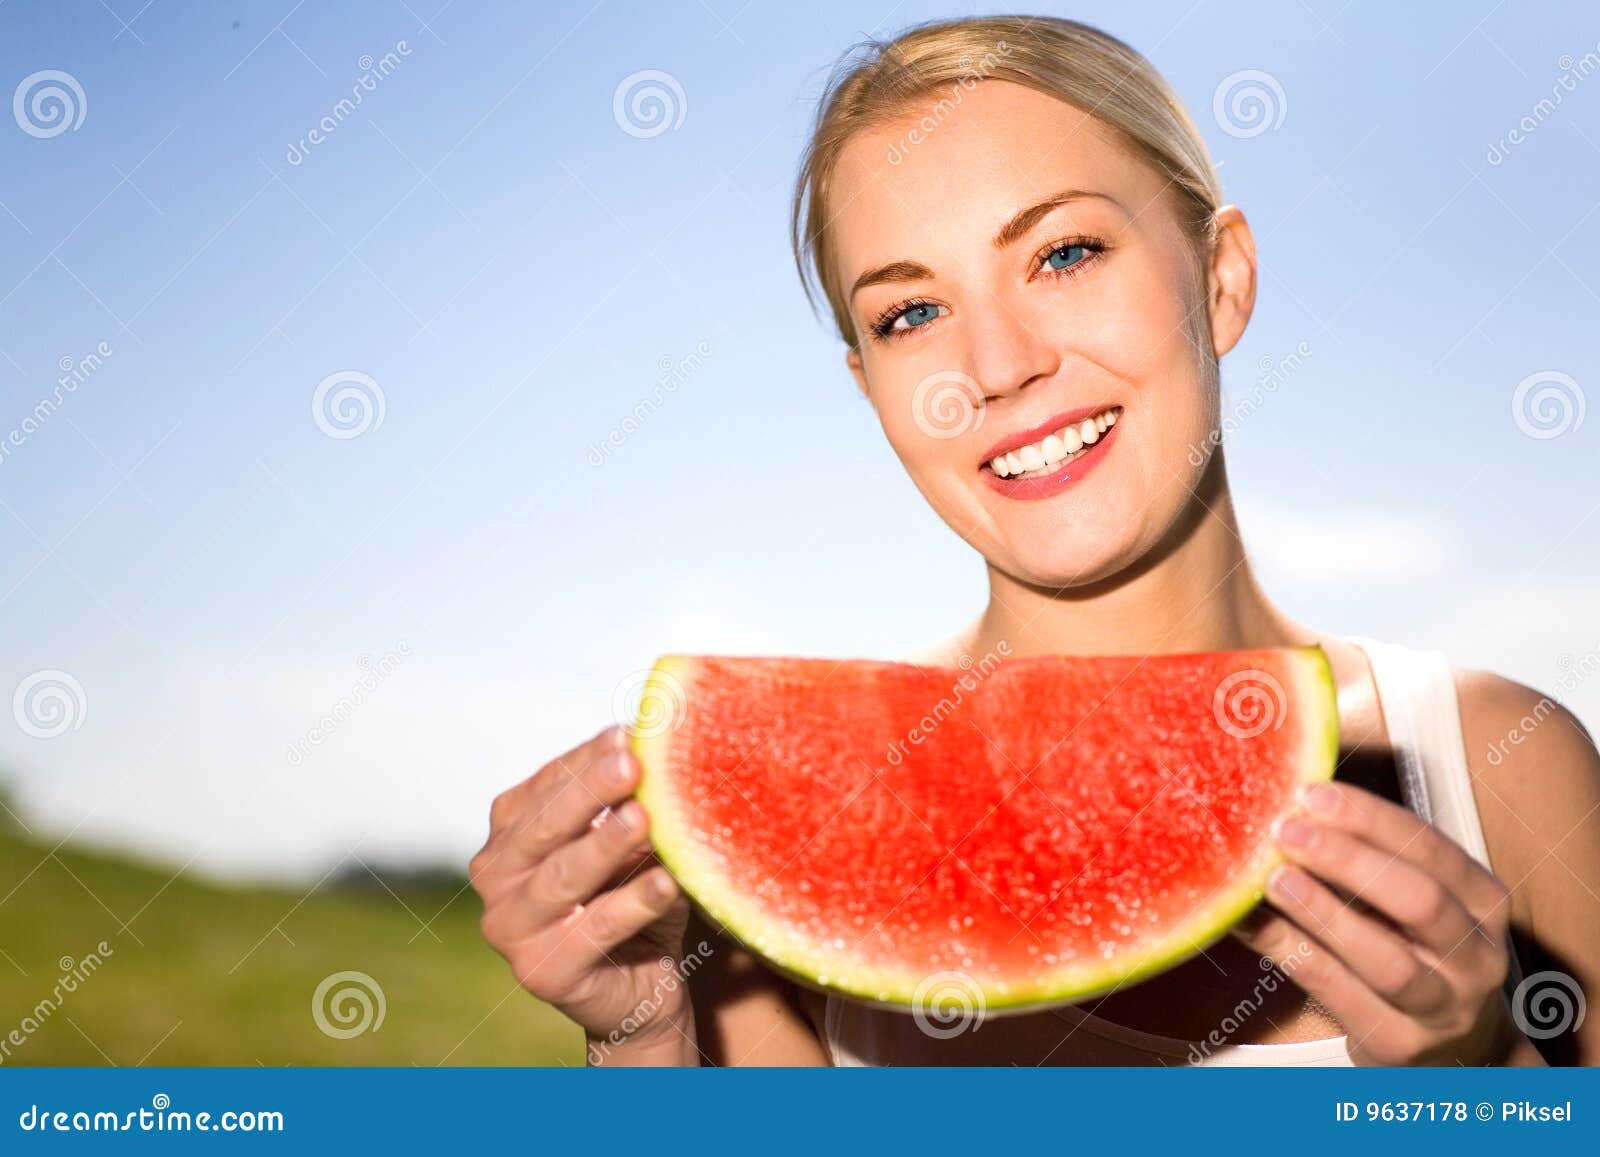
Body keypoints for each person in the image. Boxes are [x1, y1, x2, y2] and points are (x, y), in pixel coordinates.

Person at [471, 15, 1600, 1066]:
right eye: (911, 313)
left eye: (1064, 254)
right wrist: (642, 1037)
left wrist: (1477, 1074)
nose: (999, 367)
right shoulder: (797, 838)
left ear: (1221, 278)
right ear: (870, 388)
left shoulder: (1500, 762)